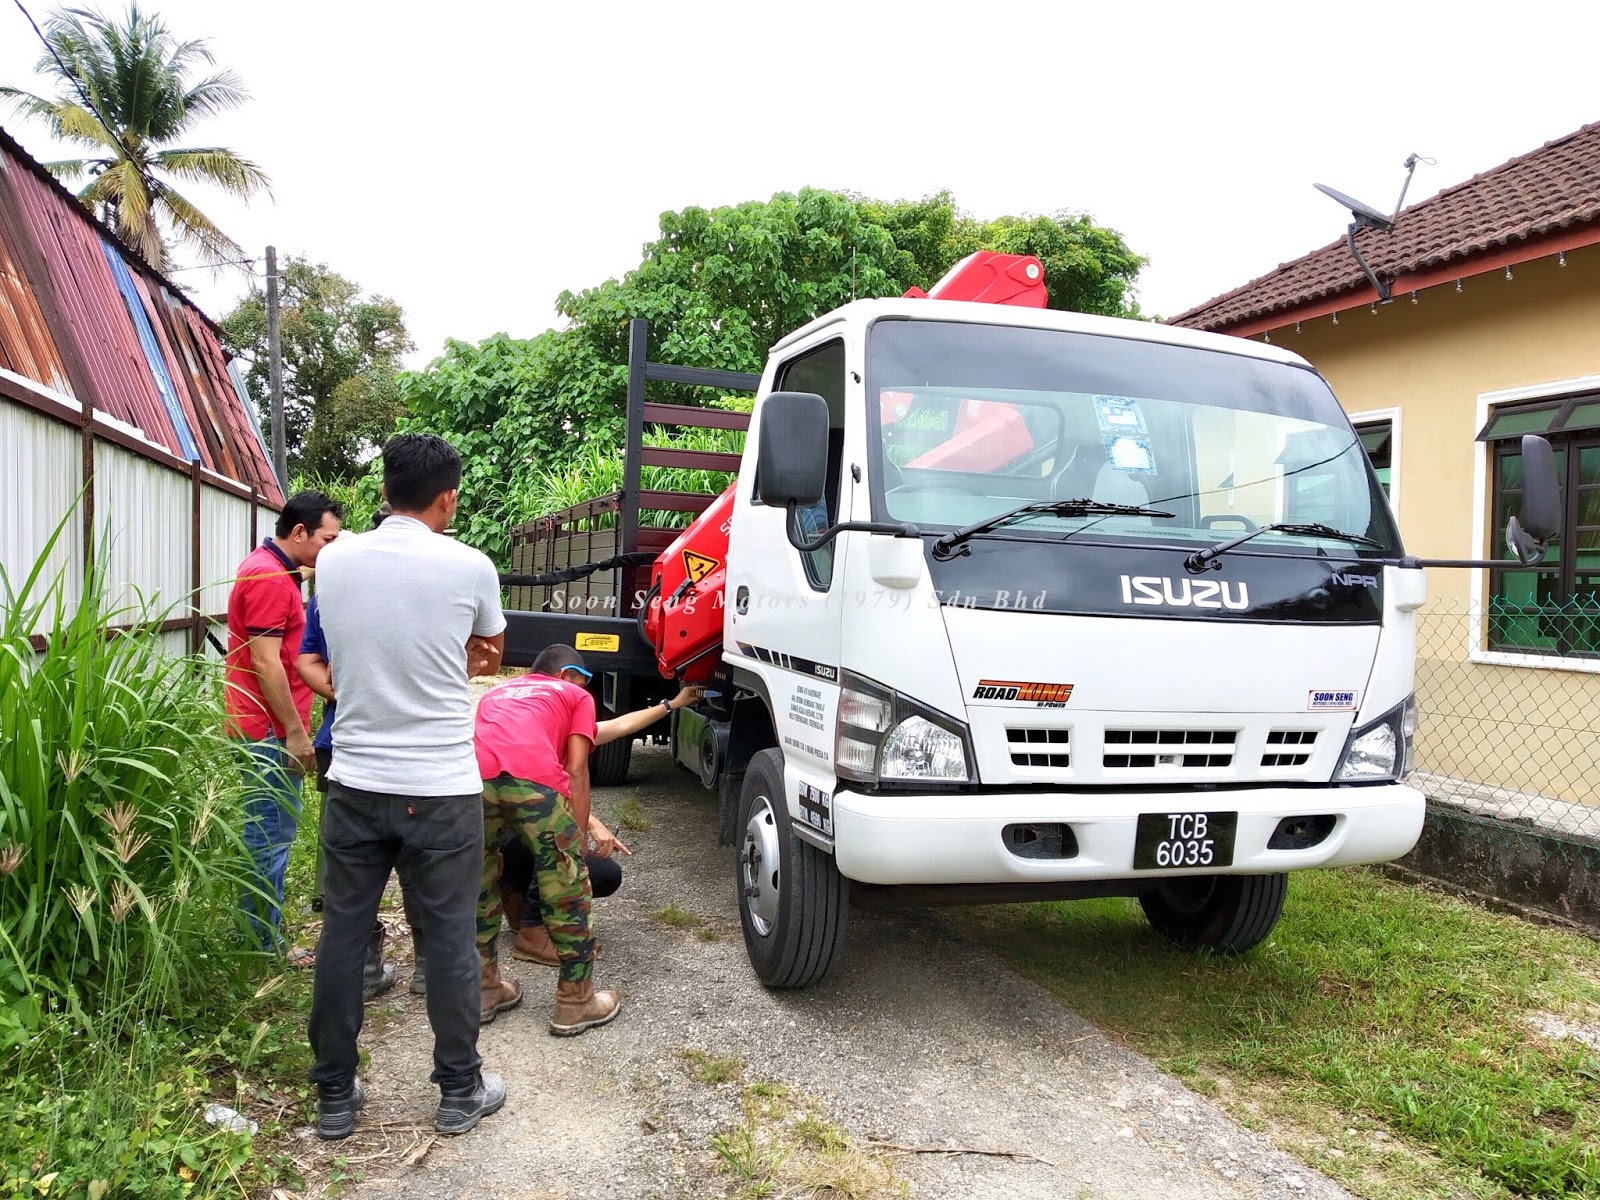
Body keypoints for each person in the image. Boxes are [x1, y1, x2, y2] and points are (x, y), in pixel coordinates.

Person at [306, 433, 508, 1141]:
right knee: (451, 938)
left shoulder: (332, 562)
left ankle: (334, 1095)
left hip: (355, 781)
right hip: (442, 787)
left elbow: (331, 647)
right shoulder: (470, 566)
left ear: (385, 491)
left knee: (343, 933)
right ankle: (459, 1091)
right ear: (447, 497)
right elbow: (488, 654)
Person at [296, 505, 423, 1002]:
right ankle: (425, 968)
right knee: (420, 857)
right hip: (408, 750)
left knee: (348, 865)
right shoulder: (431, 587)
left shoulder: (335, 589)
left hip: (345, 748)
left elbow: (307, 658)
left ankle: (367, 969)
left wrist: (342, 692)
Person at [500, 680, 704, 966]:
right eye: (582, 681)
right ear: (566, 677)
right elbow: (551, 792)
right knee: (587, 861)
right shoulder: (539, 730)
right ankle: (533, 929)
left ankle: (513, 901)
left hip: (495, 833)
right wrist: (587, 828)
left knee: (582, 858)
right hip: (515, 827)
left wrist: (672, 703)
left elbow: (620, 725)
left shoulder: (521, 718)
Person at [472, 645, 620, 1037]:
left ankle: (484, 989)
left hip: (474, 784)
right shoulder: (575, 695)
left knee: (478, 886)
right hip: (534, 787)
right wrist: (579, 836)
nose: (585, 685)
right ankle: (576, 1001)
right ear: (569, 674)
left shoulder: (496, 693)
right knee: (568, 887)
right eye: (584, 678)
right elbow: (576, 769)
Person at [225, 489, 343, 959]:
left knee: (268, 831)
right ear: (299, 533)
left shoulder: (270, 566)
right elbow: (267, 663)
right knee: (268, 837)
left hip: (256, 723)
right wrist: (295, 733)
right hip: (268, 731)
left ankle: (258, 935)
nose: (331, 550)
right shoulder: (271, 580)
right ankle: (259, 945)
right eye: (327, 540)